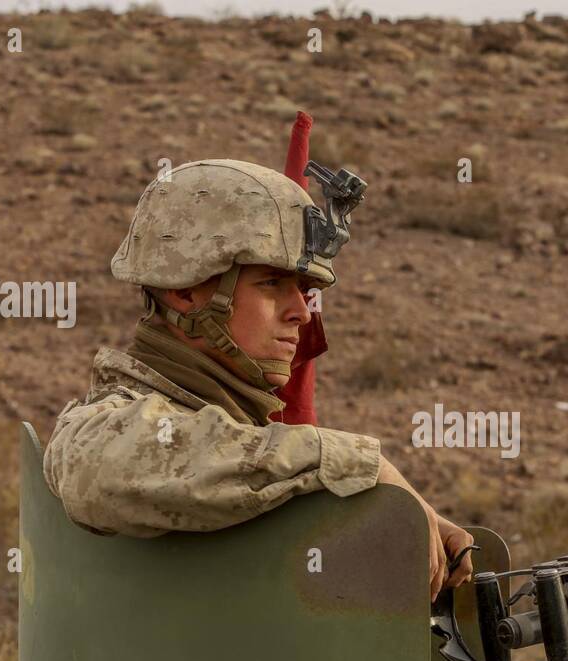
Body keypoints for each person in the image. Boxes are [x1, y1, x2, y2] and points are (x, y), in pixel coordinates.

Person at [42, 159, 472, 598]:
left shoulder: (253, 447)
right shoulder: (100, 426)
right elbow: (98, 470)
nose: (302, 312)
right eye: (271, 284)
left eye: (304, 290)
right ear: (186, 289)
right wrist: (361, 463)